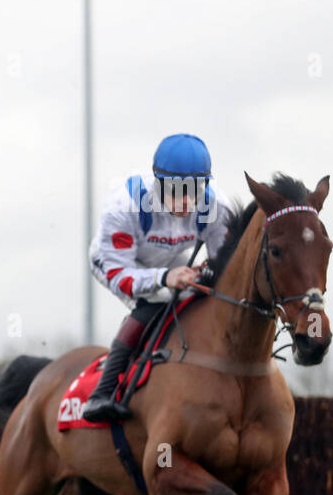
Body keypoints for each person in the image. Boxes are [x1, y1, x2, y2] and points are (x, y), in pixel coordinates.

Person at [84, 133, 231, 422]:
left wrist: (207, 275)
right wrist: (164, 278)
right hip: (117, 263)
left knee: (201, 298)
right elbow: (121, 276)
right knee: (154, 305)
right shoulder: (123, 207)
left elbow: (223, 266)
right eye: (177, 190)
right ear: (158, 182)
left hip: (170, 258)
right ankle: (102, 394)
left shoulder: (217, 207)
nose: (187, 201)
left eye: (196, 189)